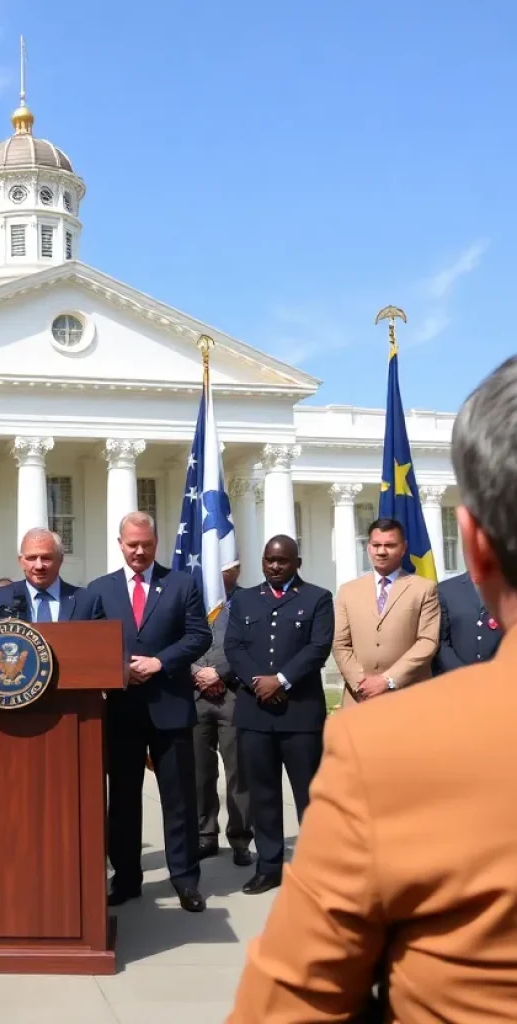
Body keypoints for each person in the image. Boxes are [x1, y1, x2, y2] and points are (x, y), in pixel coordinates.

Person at [228, 358, 517, 1023]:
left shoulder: (386, 753)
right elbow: (339, 642)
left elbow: (292, 1002)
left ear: (471, 547)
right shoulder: (347, 600)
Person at [87, 512, 212, 911]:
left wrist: (159, 662)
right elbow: (86, 639)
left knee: (178, 799)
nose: (139, 551)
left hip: (170, 707)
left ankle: (185, 878)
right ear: (120, 543)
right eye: (132, 544)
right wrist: (120, 668)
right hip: (121, 709)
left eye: (146, 544)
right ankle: (126, 878)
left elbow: (199, 635)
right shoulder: (100, 589)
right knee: (122, 800)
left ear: (156, 544)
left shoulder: (181, 584)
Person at [225, 536, 333, 895]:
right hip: (255, 714)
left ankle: (318, 868)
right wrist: (259, 683)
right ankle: (269, 866)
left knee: (309, 795)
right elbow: (234, 646)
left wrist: (281, 681)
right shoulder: (243, 599)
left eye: (282, 561)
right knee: (263, 794)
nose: (274, 566)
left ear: (296, 563)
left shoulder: (317, 598)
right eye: (269, 560)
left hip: (299, 715)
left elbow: (318, 648)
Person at [332, 516, 440, 705]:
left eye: (390, 545)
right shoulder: (348, 591)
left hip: (408, 697)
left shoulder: (424, 589)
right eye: (376, 545)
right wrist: (361, 684)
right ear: (368, 547)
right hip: (359, 698)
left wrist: (387, 681)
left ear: (403, 547)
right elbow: (340, 644)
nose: (381, 551)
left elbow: (427, 642)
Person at [191, 559, 252, 867]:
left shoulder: (246, 600)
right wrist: (197, 672)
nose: (221, 572)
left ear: (237, 570)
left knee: (238, 771)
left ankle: (241, 837)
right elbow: (177, 640)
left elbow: (249, 645)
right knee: (200, 772)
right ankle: (206, 834)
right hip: (194, 695)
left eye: (228, 566)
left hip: (232, 695)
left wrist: (219, 673)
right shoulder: (190, 598)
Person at [0, 527, 105, 623]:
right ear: (21, 562)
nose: (39, 566)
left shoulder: (87, 601)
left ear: (60, 560)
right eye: (31, 558)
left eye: (46, 558)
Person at [433, 569, 502, 674]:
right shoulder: (446, 590)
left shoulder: (510, 590)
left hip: (499, 677)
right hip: (456, 679)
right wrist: (462, 673)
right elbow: (440, 641)